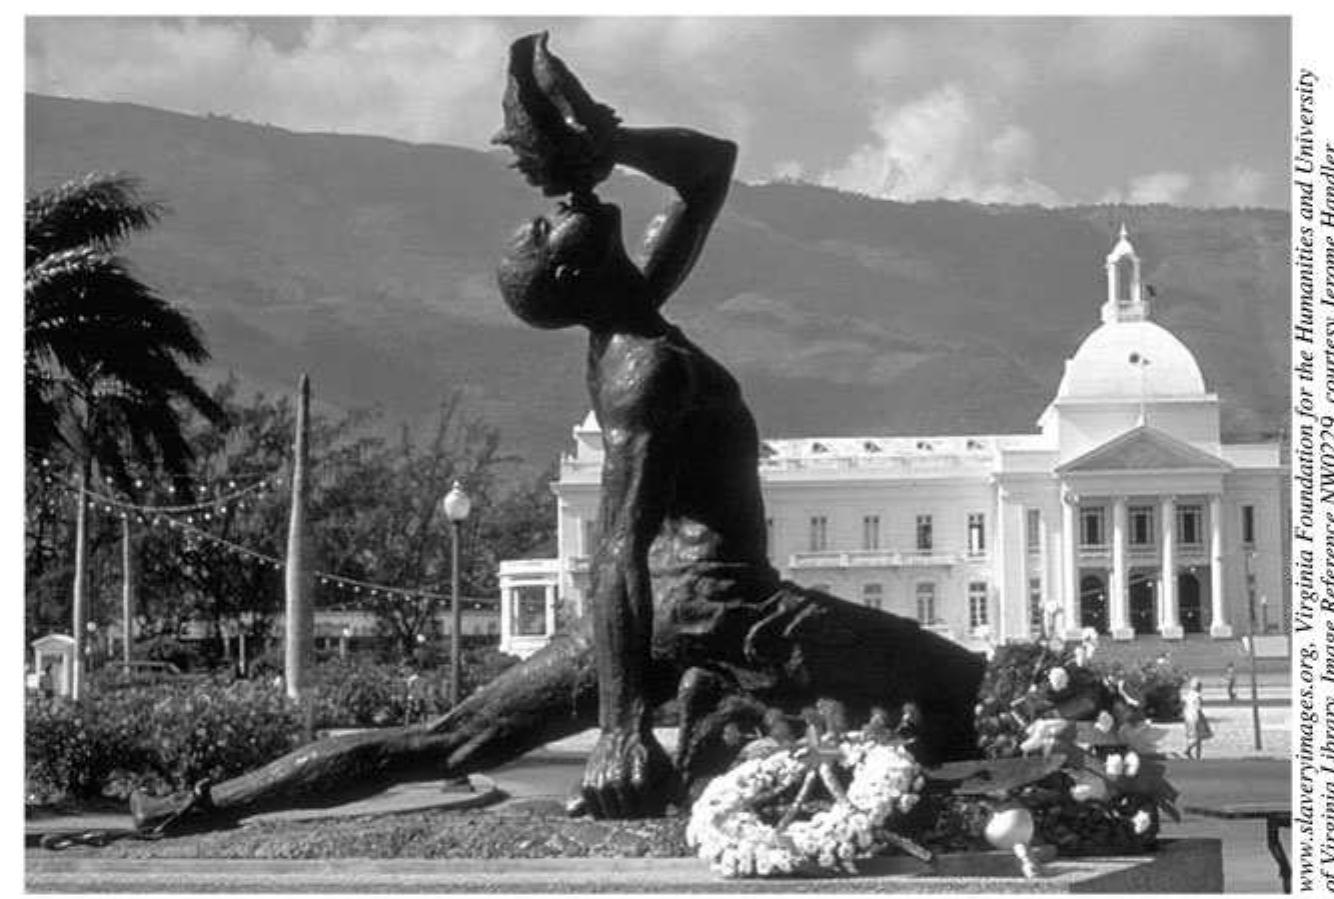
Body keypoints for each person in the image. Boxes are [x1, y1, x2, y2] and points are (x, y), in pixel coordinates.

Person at [129, 33, 985, 832]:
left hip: (675, 612)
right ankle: (894, 804)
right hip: (724, 610)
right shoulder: (642, 367)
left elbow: (707, 168)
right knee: (961, 681)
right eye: (546, 228)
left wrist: (610, 140)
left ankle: (203, 807)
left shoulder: (637, 312)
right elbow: (617, 546)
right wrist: (616, 729)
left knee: (448, 740)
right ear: (573, 267)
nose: (566, 203)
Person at [1182, 677, 1213, 759]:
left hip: (1188, 716)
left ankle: (1197, 755)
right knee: (1199, 737)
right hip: (1195, 717)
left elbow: (1186, 706)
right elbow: (1198, 708)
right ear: (1199, 687)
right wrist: (1203, 719)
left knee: (1194, 735)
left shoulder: (1188, 694)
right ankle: (1188, 750)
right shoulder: (1198, 696)